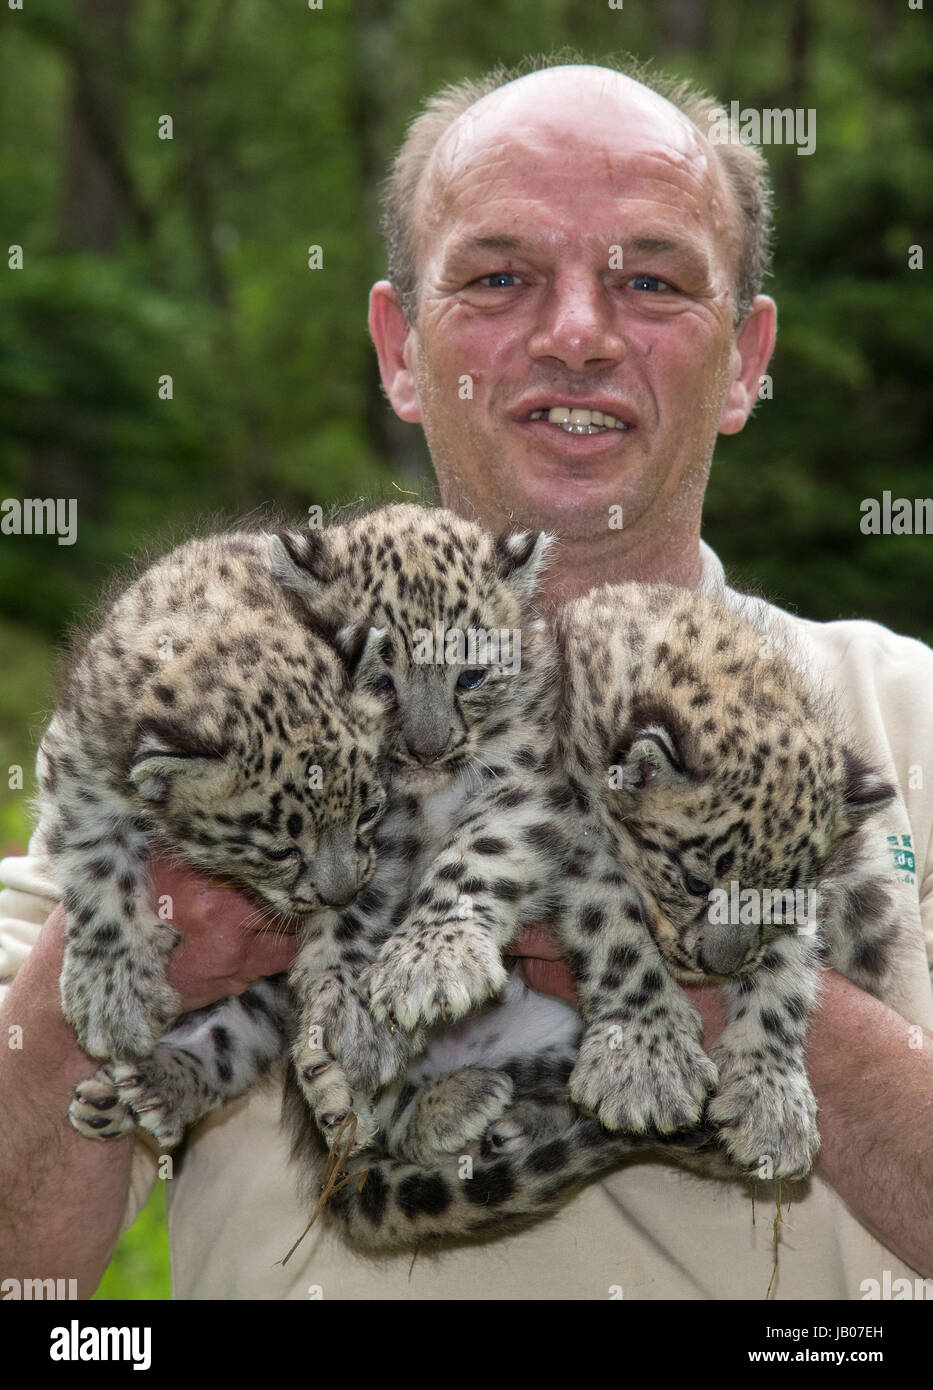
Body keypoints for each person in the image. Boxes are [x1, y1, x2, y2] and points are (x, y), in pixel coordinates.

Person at [2, 56, 932, 1301]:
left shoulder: (902, 712)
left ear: (749, 360)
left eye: (650, 280)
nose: (579, 333)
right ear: (399, 347)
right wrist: (118, 974)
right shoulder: (220, 712)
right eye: (501, 278)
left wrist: (735, 963)